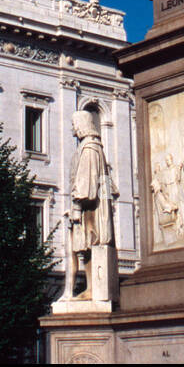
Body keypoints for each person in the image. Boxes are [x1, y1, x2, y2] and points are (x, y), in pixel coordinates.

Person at [60, 110, 117, 301]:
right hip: (96, 208)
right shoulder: (97, 148)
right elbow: (110, 186)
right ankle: (92, 288)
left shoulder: (89, 148)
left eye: (75, 124)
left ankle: (93, 289)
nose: (72, 128)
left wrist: (76, 206)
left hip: (88, 209)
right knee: (88, 247)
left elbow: (86, 185)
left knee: (89, 245)